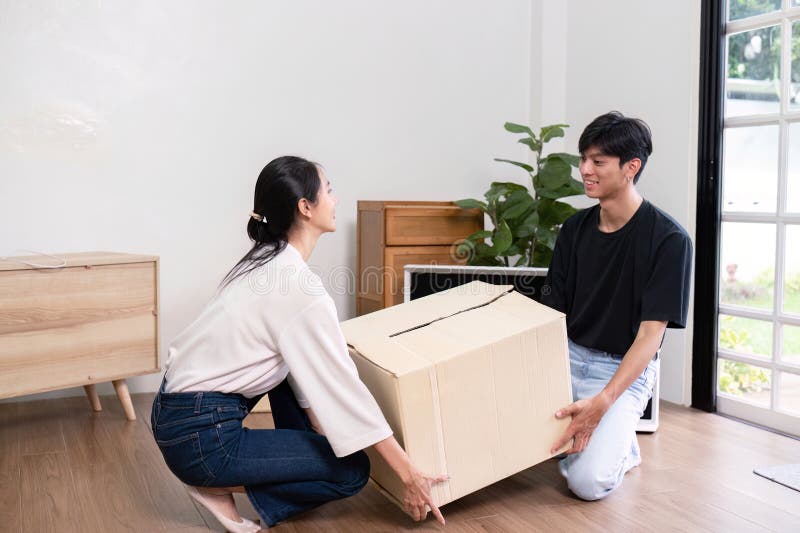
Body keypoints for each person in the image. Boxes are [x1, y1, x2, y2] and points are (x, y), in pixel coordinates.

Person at [150, 156, 447, 532]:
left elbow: (309, 376)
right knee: (351, 470)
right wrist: (407, 473)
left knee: (295, 367)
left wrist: (326, 435)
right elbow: (343, 389)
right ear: (305, 207)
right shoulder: (298, 289)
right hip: (203, 440)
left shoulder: (262, 261)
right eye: (330, 190)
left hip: (176, 415)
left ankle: (233, 471)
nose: (336, 200)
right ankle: (216, 483)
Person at [541, 111, 692, 501]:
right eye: (583, 159)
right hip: (567, 358)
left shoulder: (669, 240)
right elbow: (552, 314)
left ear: (631, 167)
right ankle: (609, 441)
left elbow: (649, 337)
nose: (585, 170)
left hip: (621, 372)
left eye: (598, 162)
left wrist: (603, 401)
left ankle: (619, 447)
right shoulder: (574, 231)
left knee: (587, 484)